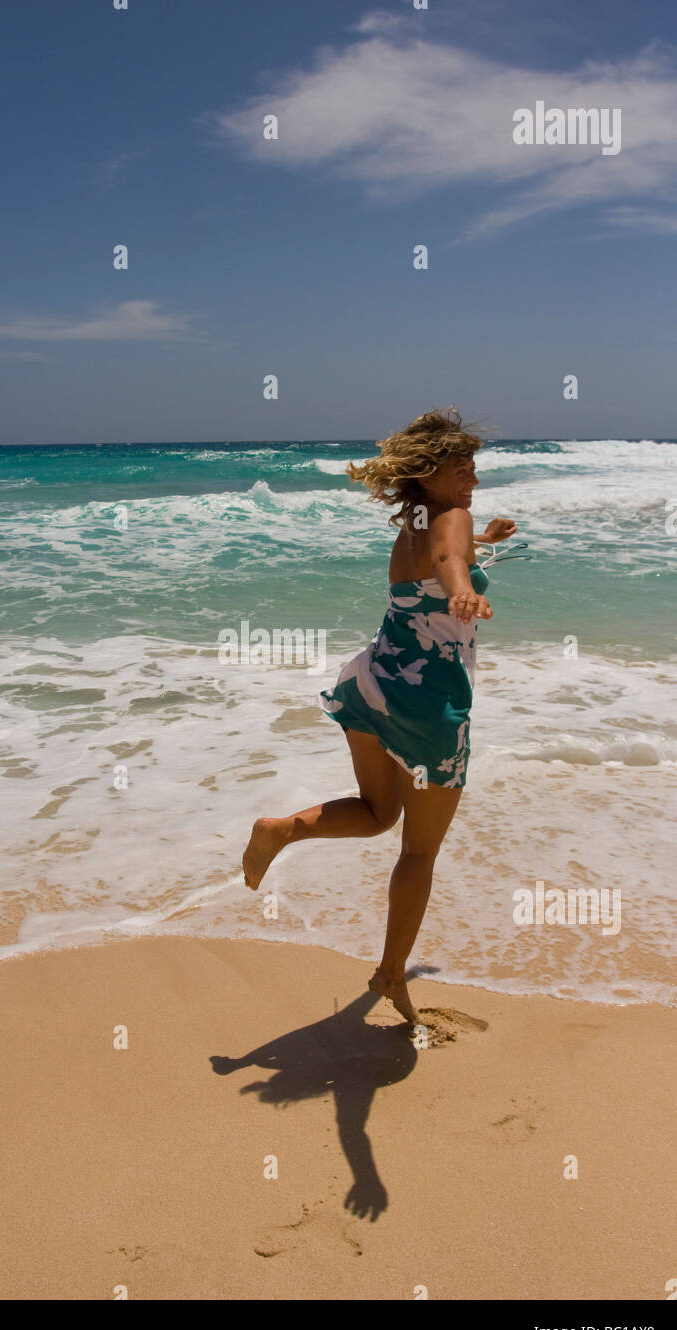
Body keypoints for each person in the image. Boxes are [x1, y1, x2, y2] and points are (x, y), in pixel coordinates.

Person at [242, 408, 516, 1025]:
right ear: (428, 471)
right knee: (418, 851)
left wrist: (483, 549)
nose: (472, 476)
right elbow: (448, 562)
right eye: (460, 466)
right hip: (428, 704)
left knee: (376, 814)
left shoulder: (416, 523)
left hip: (371, 682)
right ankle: (391, 974)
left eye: (475, 465)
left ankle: (283, 828)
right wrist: (463, 588)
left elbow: (445, 553)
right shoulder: (451, 519)